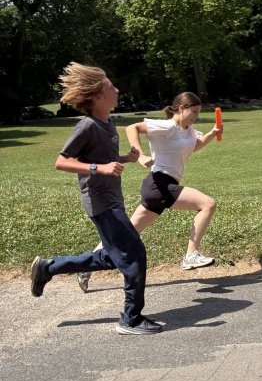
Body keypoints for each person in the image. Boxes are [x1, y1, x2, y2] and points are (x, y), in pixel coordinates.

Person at [29, 63, 162, 335]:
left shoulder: (107, 122)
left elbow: (103, 157)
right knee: (134, 254)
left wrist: (123, 159)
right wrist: (97, 169)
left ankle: (48, 268)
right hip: (101, 202)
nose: (117, 89)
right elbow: (61, 161)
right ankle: (130, 319)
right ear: (97, 96)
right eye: (111, 86)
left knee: (113, 258)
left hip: (112, 197)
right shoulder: (87, 125)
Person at [76, 92, 221, 292]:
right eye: (194, 111)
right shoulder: (167, 126)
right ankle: (191, 255)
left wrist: (212, 134)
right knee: (207, 204)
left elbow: (194, 145)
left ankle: (85, 266)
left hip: (159, 188)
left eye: (198, 112)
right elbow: (132, 127)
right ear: (181, 108)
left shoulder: (188, 130)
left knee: (125, 237)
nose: (197, 115)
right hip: (159, 183)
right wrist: (141, 155)